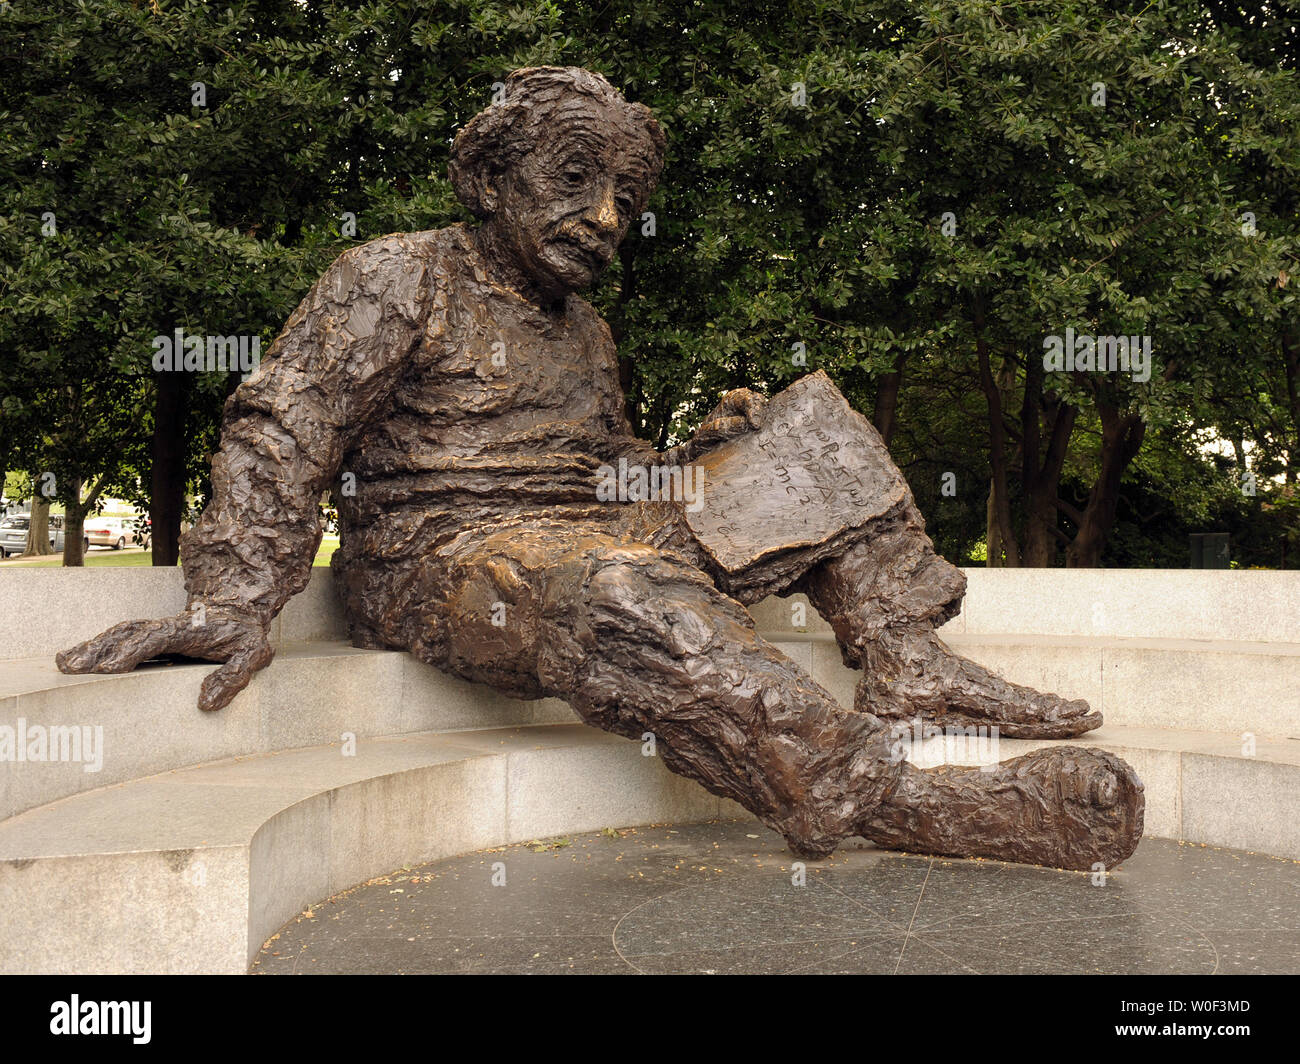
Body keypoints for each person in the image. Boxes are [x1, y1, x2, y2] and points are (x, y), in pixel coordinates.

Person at [58, 67, 1142, 869]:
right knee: (623, 592)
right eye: (575, 179)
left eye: (625, 194)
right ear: (487, 176)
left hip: (582, 529)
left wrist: (692, 462)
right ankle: (896, 798)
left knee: (802, 435)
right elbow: (279, 428)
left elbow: (599, 470)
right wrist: (236, 595)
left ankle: (904, 651)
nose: (608, 216)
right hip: (442, 562)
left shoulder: (587, 332)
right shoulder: (391, 276)